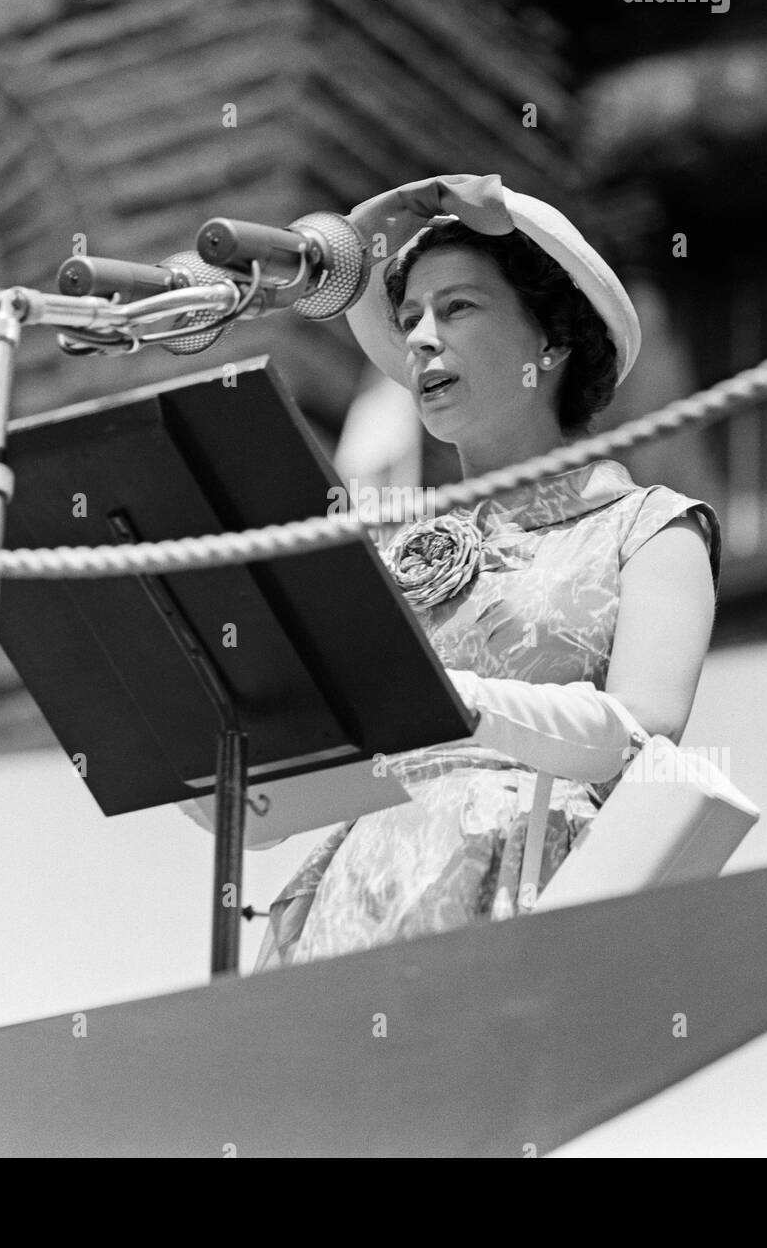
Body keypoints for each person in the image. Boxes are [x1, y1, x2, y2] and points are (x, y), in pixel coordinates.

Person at [252, 173, 721, 970]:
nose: (421, 339)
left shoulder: (648, 529)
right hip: (355, 896)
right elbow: (312, 763)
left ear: (553, 338)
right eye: (408, 320)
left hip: (523, 878)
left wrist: (461, 703)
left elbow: (644, 732)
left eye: (458, 307)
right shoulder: (391, 545)